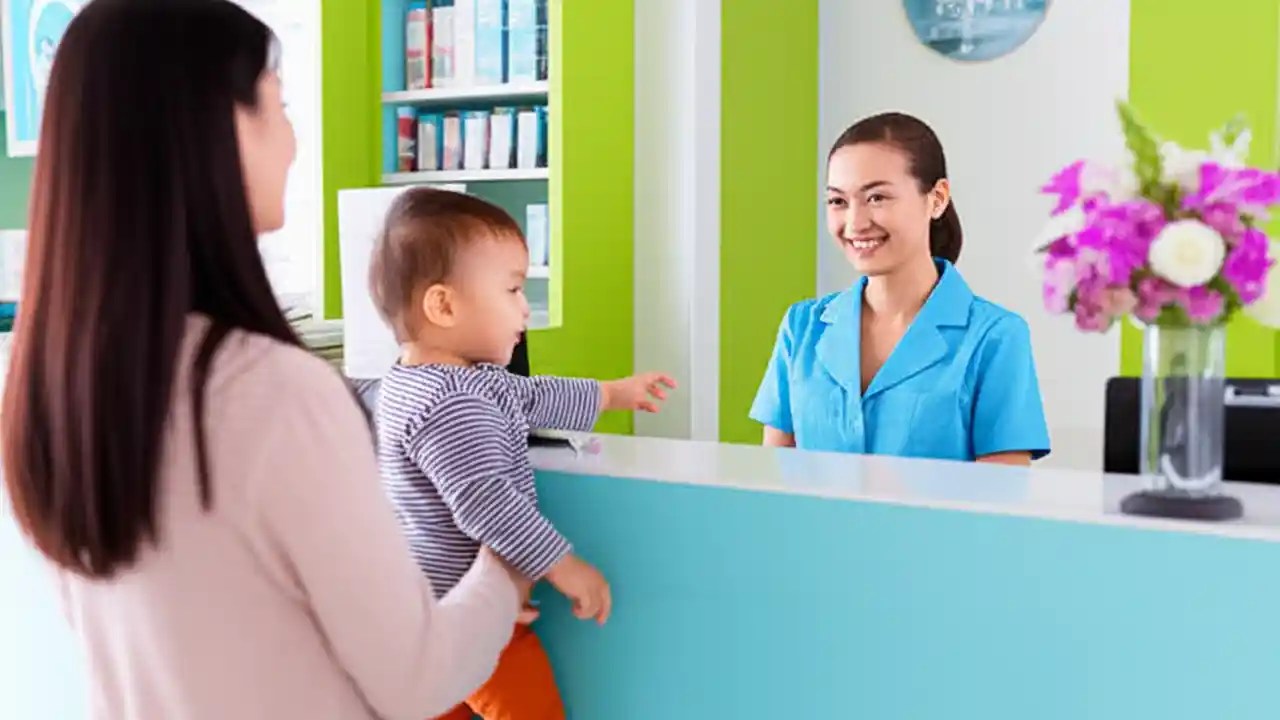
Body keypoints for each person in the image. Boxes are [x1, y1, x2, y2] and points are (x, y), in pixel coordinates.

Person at [0, 2, 530, 718]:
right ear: (214, 132)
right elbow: (416, 676)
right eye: (277, 107)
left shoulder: (58, 387)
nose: (292, 143)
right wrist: (504, 568)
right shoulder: (269, 391)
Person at [367, 187, 676, 720]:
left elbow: (533, 395)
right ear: (443, 305)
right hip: (462, 617)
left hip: (425, 617)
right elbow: (487, 501)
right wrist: (562, 566)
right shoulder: (449, 402)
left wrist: (613, 393)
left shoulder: (446, 381)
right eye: (512, 290)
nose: (524, 310)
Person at [749, 112, 1050, 464]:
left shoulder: (996, 337)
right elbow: (774, 482)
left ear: (937, 199)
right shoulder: (801, 328)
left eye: (876, 197)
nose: (855, 223)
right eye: (838, 201)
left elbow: (1002, 499)